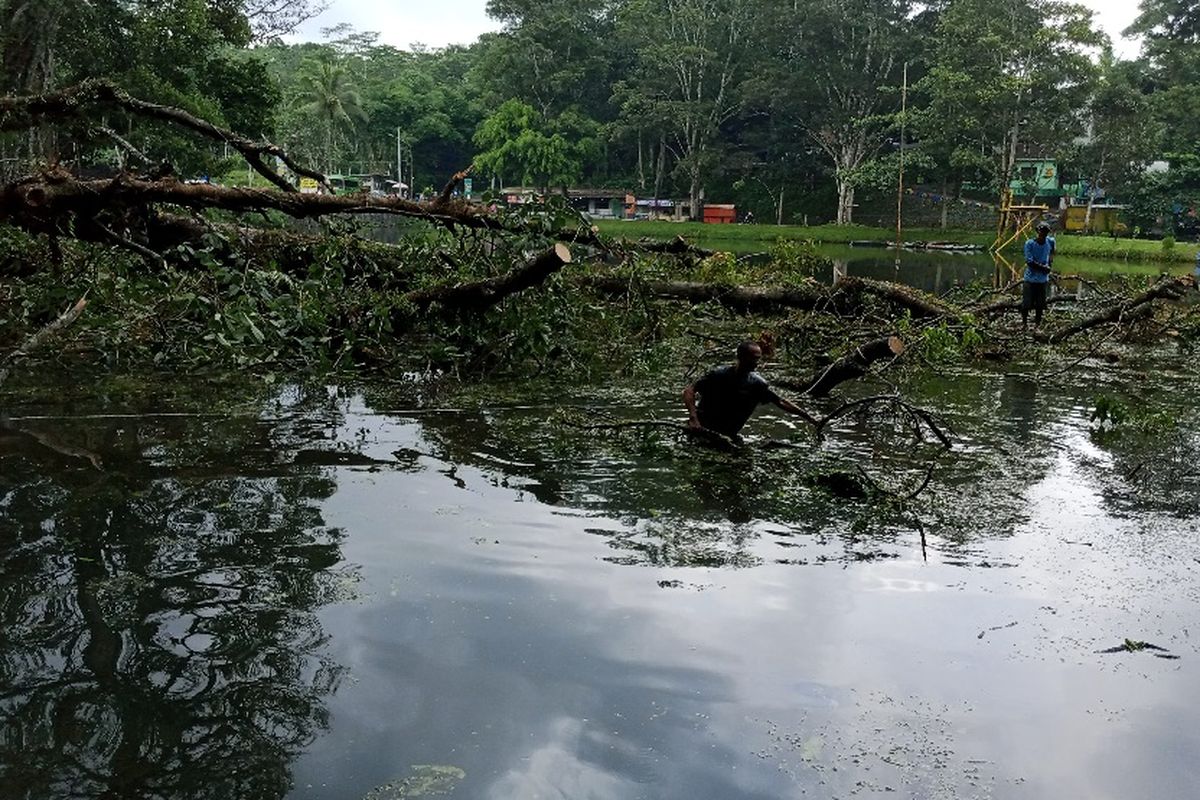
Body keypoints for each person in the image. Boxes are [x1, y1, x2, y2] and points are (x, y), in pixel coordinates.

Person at [682, 340, 813, 439]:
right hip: (700, 430)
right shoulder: (718, 375)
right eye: (754, 358)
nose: (757, 362)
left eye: (758, 358)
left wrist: (810, 418)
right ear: (741, 357)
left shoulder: (757, 384)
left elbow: (781, 402)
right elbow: (689, 391)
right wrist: (693, 418)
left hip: (728, 436)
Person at [1021, 222, 1054, 329]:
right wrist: (1044, 268)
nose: (1043, 235)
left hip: (1042, 280)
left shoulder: (1050, 241)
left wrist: (1049, 265)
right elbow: (1029, 262)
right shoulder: (1029, 244)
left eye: (1045, 232)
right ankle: (1024, 323)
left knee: (1040, 304)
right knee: (1026, 303)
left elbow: (1051, 253)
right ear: (1037, 232)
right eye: (1041, 232)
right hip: (1030, 279)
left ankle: (1037, 324)